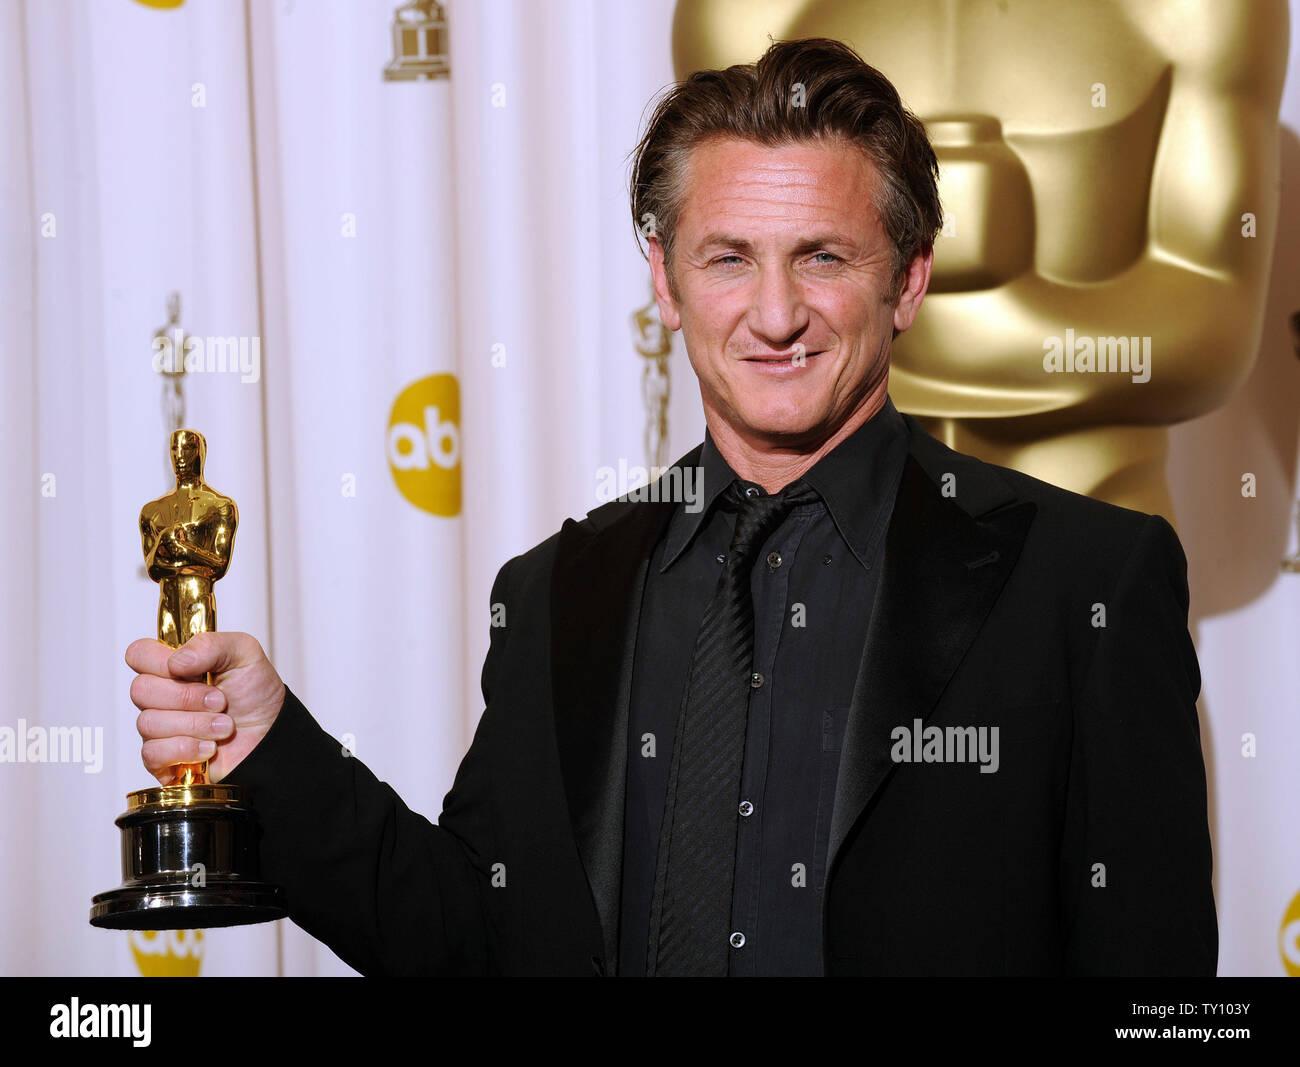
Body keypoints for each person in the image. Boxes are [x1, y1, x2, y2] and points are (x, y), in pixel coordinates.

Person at [126, 38, 1216, 976]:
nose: (775, 313)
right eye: (728, 257)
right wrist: (267, 742)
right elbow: (468, 937)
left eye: (823, 257)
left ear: (910, 279)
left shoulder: (1086, 580)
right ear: (666, 276)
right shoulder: (558, 591)